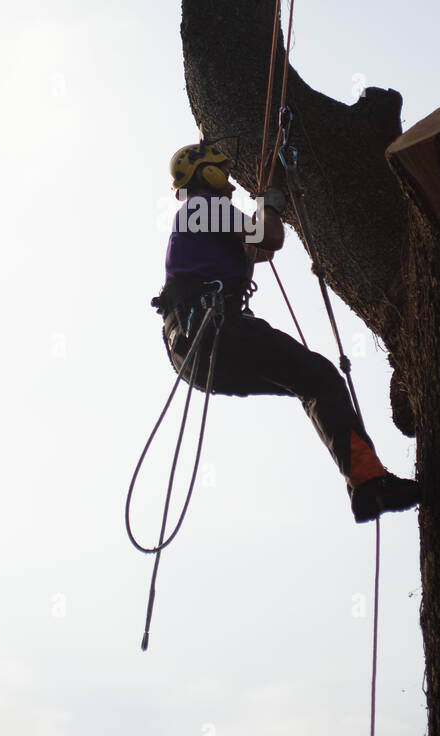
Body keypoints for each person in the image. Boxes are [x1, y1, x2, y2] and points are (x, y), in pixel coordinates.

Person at [151, 142, 419, 522]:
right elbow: (269, 238)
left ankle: (367, 487)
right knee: (321, 378)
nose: (229, 183)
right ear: (205, 174)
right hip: (211, 328)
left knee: (311, 382)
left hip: (192, 348)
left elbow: (259, 249)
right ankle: (368, 483)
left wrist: (266, 206)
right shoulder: (202, 206)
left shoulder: (199, 219)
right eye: (222, 172)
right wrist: (270, 199)